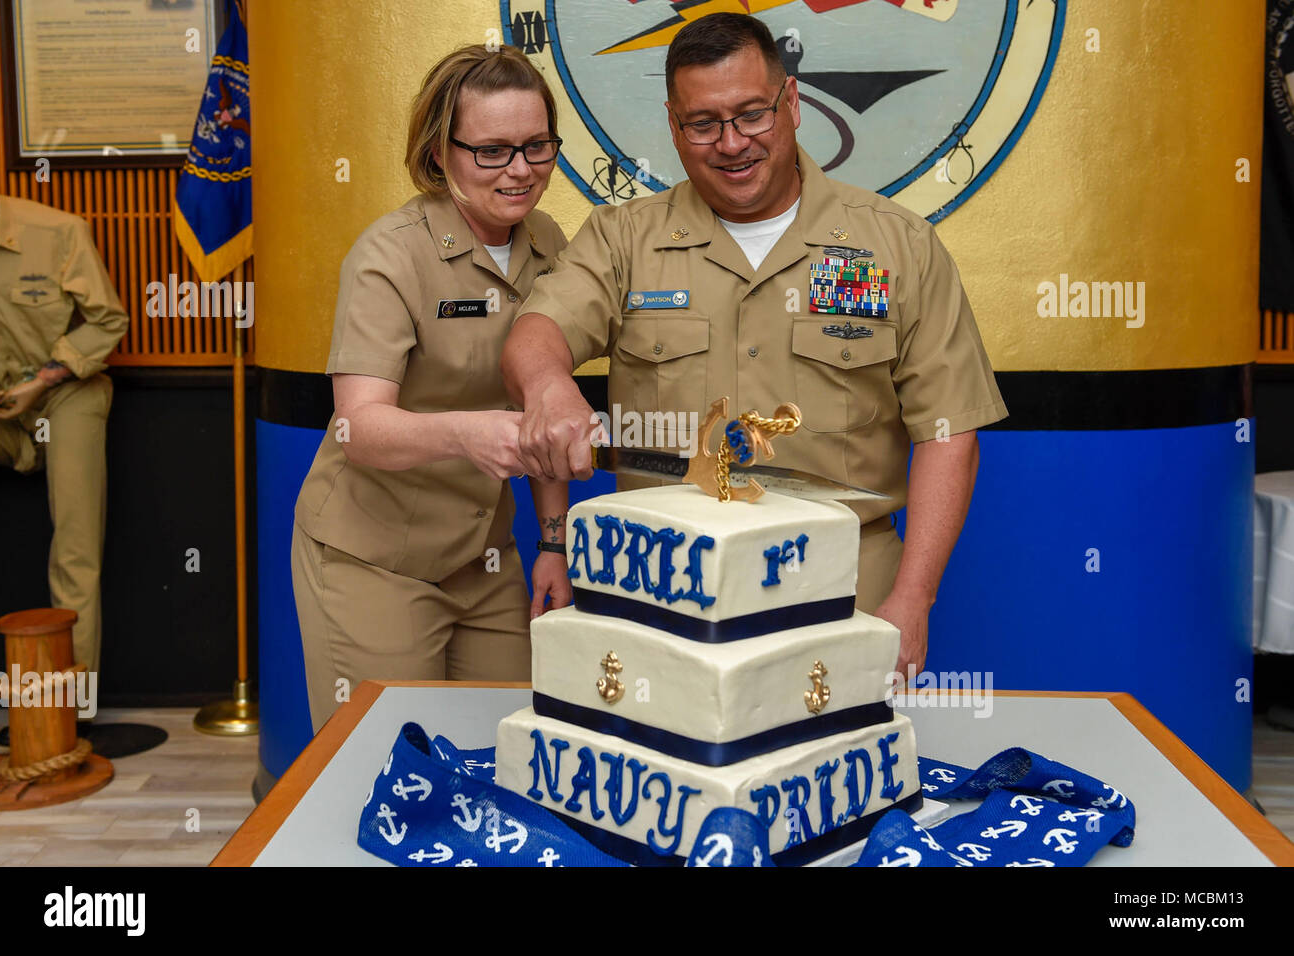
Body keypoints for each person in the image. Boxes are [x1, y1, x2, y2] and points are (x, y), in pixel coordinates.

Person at [500, 14, 1007, 679]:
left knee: (825, 778)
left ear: (791, 103)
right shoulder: (624, 240)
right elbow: (536, 333)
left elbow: (950, 432)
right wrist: (547, 387)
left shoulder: (895, 246)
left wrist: (913, 597)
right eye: (702, 124)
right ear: (674, 125)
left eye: (752, 115)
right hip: (663, 597)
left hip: (841, 594)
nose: (731, 144)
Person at [292, 45, 571, 733]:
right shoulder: (390, 255)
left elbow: (547, 407)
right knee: (387, 769)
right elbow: (359, 428)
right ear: (440, 151)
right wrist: (464, 433)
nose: (520, 170)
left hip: (484, 561)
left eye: (537, 146)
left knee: (504, 754)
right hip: (375, 562)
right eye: (493, 150)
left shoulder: (549, 243)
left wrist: (555, 543)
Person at [0, 193, 129, 690]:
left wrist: (43, 381)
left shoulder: (59, 230)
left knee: (75, 549)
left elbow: (109, 320)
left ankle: (72, 705)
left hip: (63, 395)